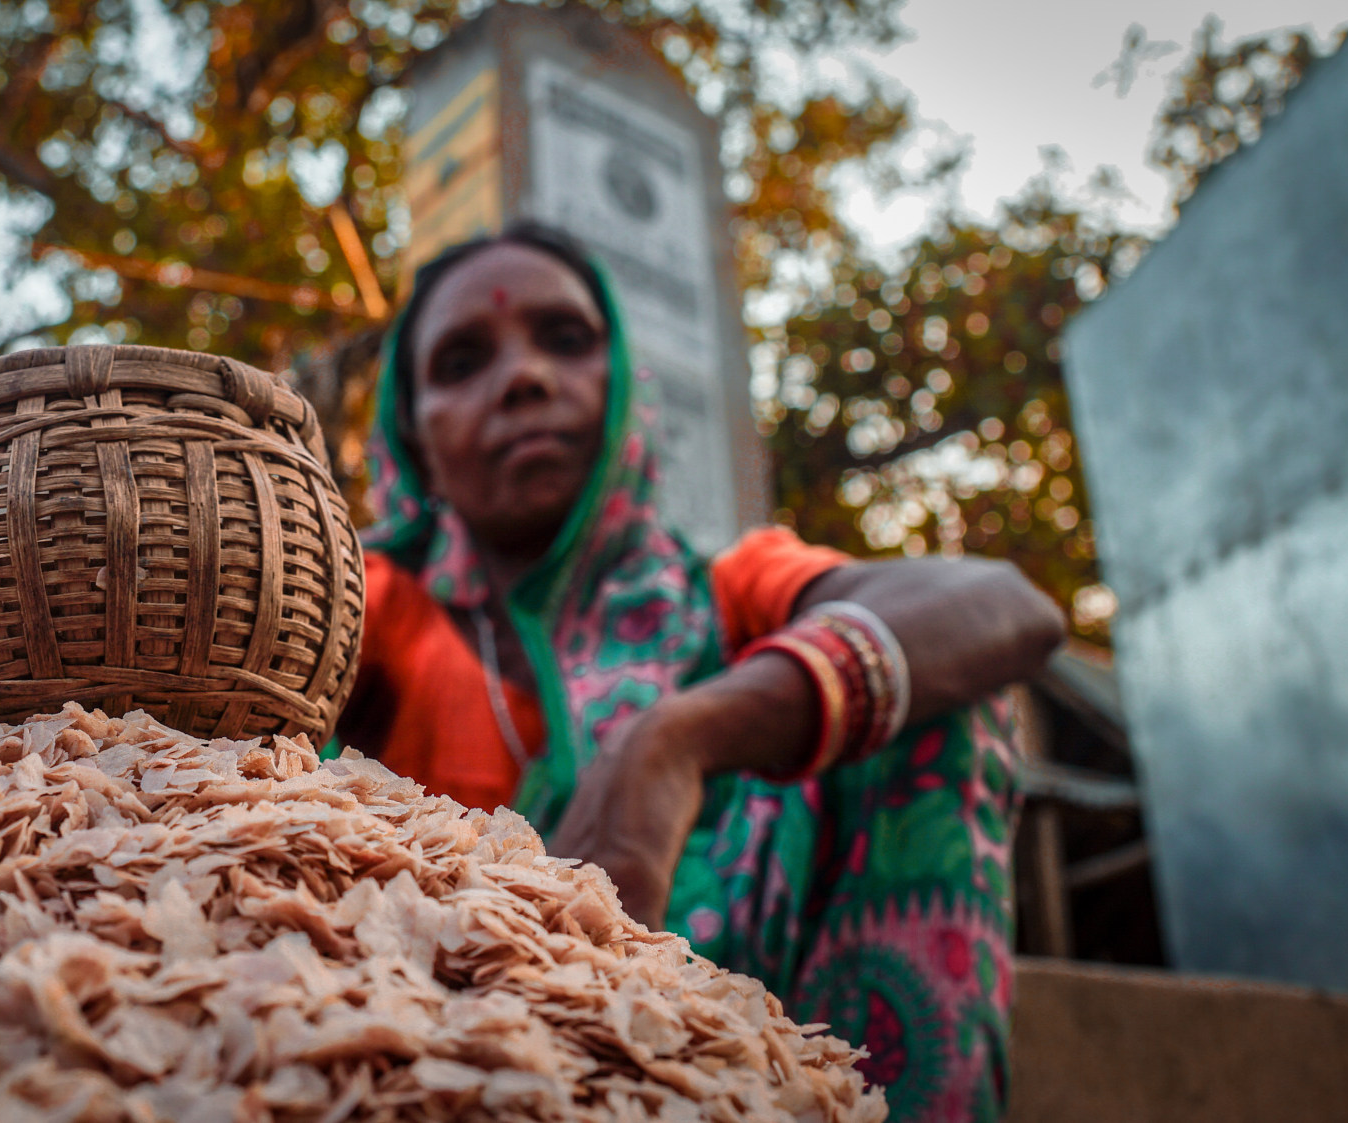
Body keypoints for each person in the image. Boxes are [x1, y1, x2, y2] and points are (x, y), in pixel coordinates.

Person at [336, 221, 1065, 1122]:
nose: (523, 377)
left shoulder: (720, 591)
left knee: (921, 685)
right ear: (413, 431)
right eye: (461, 361)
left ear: (622, 386)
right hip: (427, 1057)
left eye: (566, 340)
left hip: (720, 1047)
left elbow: (1006, 608)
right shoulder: (363, 595)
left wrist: (677, 736)